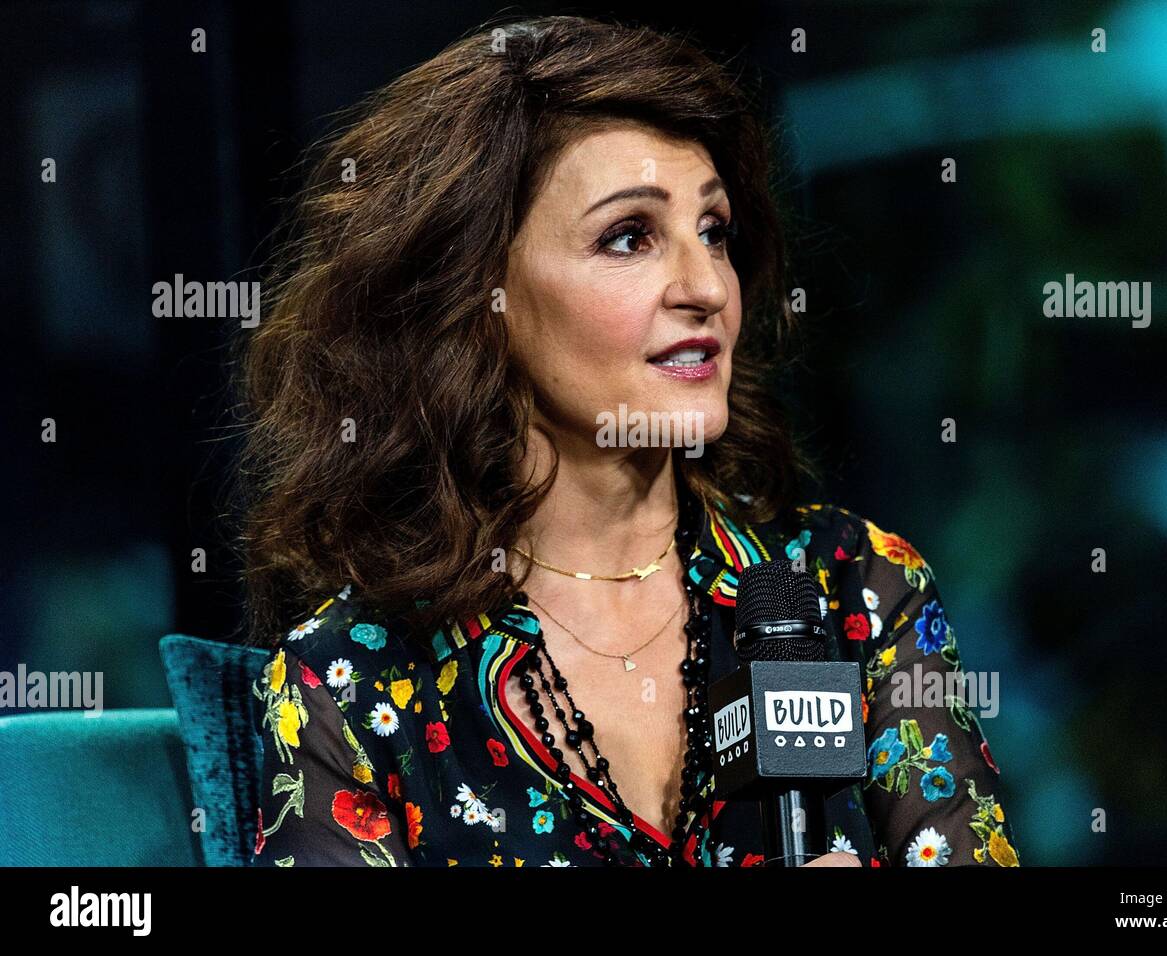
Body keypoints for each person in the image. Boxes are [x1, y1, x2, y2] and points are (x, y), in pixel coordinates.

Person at [236, 14, 1021, 868]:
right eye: (629, 237)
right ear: (477, 301)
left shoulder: (855, 589)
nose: (705, 286)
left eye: (713, 231)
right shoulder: (350, 678)